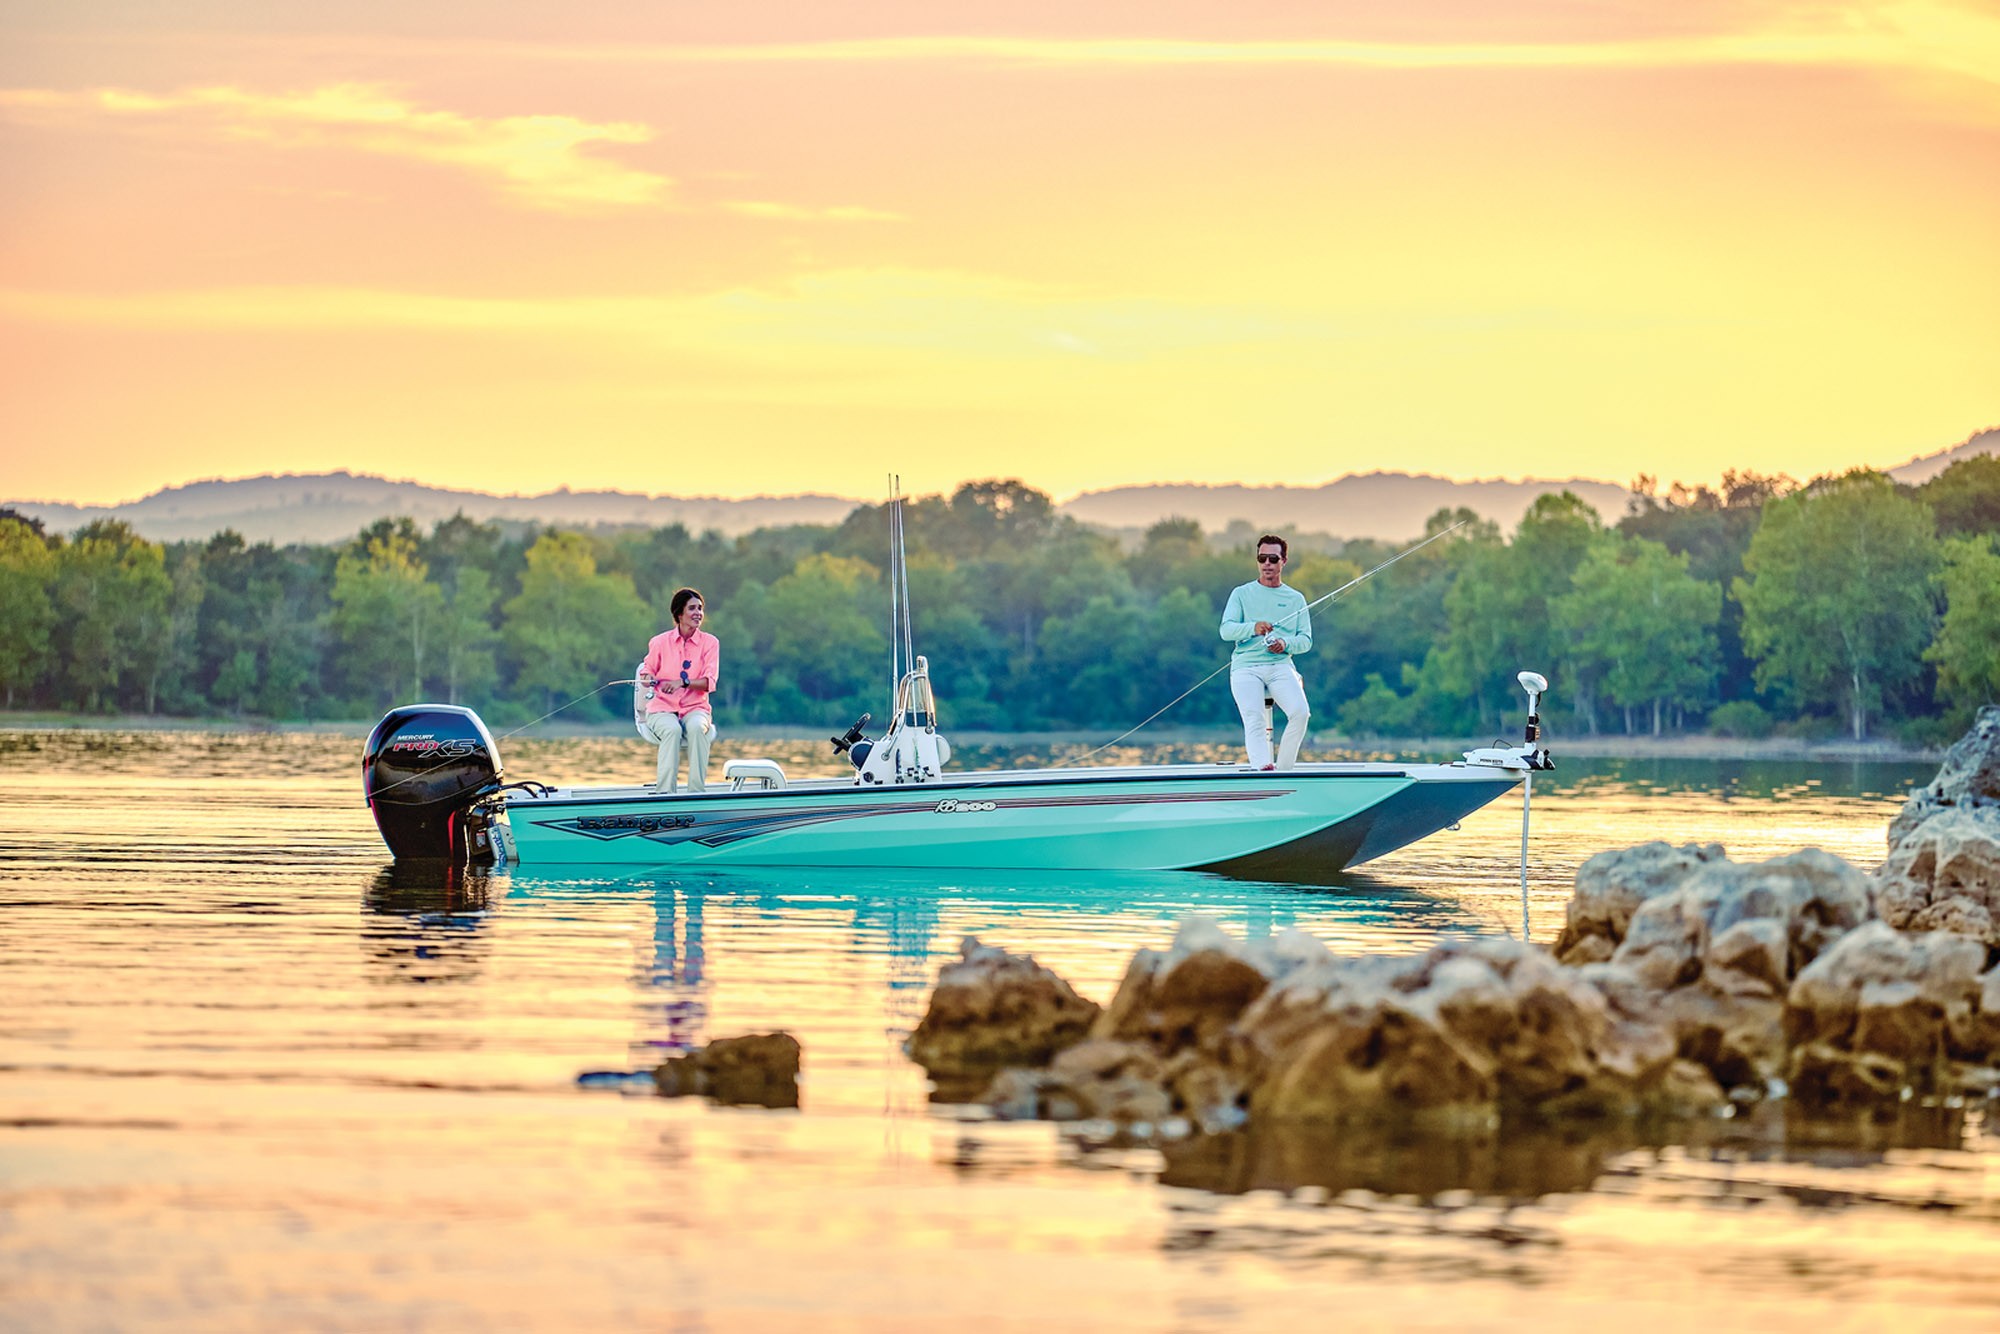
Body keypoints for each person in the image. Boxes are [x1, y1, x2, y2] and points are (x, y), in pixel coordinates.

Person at [1219, 534, 1313, 770]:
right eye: (1262, 558)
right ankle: (1263, 768)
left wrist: (1285, 644)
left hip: (1280, 666)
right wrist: (1253, 627)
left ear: (1284, 561)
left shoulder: (1295, 598)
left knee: (1301, 713)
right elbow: (1226, 630)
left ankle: (1284, 769)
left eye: (1273, 558)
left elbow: (1306, 640)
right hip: (1246, 667)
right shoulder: (1240, 594)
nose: (1267, 564)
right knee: (1254, 718)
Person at [640, 587, 719, 793]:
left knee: (696, 728)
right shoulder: (659, 642)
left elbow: (710, 682)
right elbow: (646, 671)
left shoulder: (710, 643)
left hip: (696, 708)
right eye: (692, 608)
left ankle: (696, 793)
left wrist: (681, 683)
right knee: (672, 730)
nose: (698, 613)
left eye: (700, 608)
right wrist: (648, 679)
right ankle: (665, 794)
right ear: (679, 614)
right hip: (661, 709)